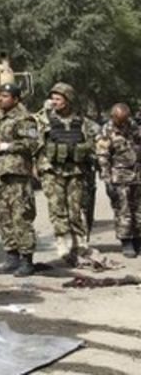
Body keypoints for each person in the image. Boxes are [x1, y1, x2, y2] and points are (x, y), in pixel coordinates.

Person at [35, 82, 97, 265]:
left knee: (75, 209)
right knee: (57, 209)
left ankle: (80, 244)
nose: (54, 102)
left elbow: (94, 141)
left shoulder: (82, 121)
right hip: (52, 171)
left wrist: (88, 154)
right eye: (52, 98)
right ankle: (63, 244)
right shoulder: (43, 120)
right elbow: (34, 144)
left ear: (68, 100)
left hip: (76, 171)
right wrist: (36, 166)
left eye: (58, 99)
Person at [0, 83, 39, 277]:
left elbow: (30, 144)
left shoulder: (24, 119)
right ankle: (11, 257)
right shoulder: (2, 119)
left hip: (18, 176)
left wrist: (2, 147)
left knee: (20, 217)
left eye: (5, 96)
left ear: (16, 99)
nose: (0, 99)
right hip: (2, 174)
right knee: (4, 217)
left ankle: (27, 260)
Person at [95, 103, 141, 258]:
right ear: (113, 117)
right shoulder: (106, 131)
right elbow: (103, 157)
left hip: (137, 175)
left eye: (125, 120)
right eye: (119, 120)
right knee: (123, 210)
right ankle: (126, 241)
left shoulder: (134, 127)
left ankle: (138, 239)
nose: (122, 123)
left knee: (138, 210)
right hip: (119, 176)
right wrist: (107, 180)